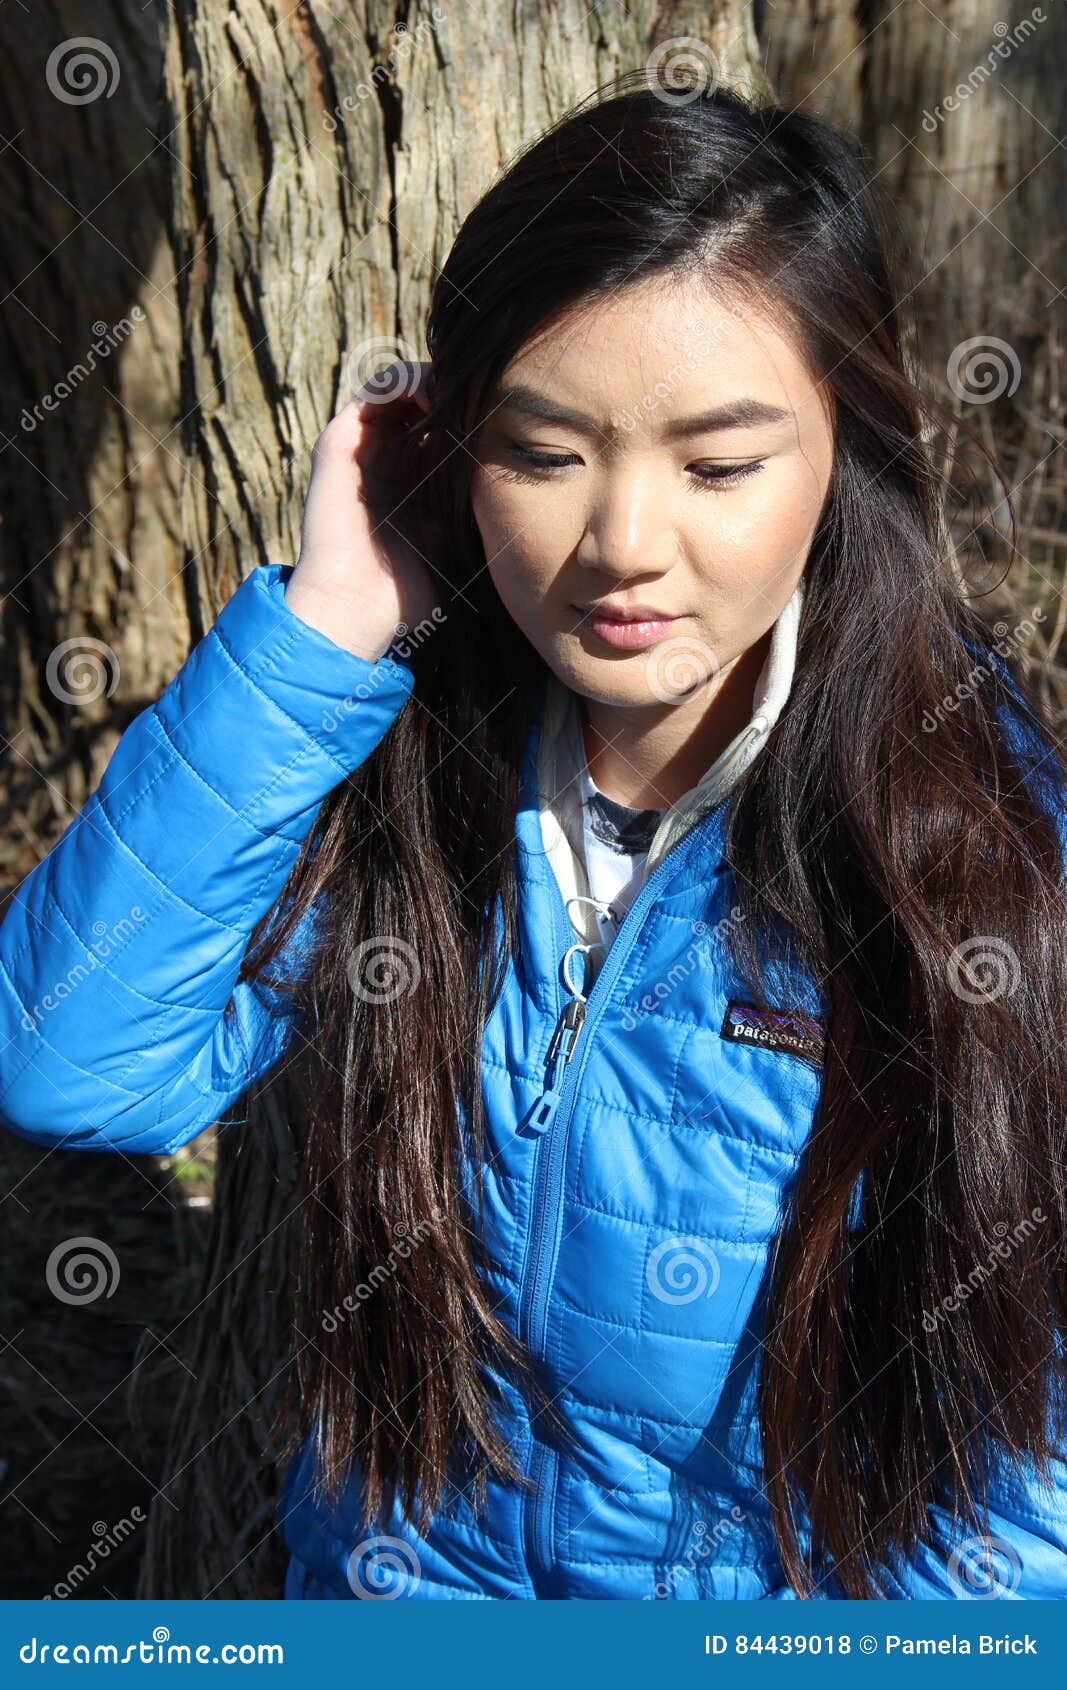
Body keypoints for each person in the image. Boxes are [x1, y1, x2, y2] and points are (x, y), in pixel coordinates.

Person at [2, 71, 1066, 1601]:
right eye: (547, 453)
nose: (624, 542)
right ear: (456, 451)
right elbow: (68, 1059)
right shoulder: (403, 775)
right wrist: (324, 632)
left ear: (848, 453)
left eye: (718, 464)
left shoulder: (978, 868)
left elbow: (1023, 1514)